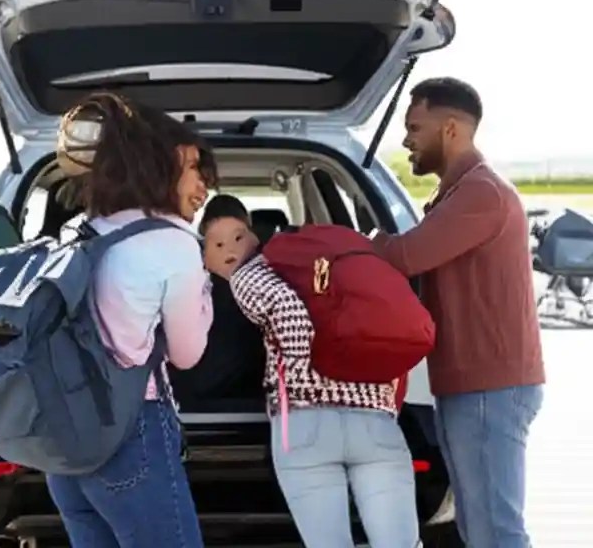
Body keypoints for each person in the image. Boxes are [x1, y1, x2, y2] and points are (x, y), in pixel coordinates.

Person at [370, 77, 544, 547]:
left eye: (414, 127)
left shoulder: (481, 194)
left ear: (450, 128)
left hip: (491, 387)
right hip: (473, 385)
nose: (406, 140)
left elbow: (407, 256)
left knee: (497, 529)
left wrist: (369, 241)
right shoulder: (461, 194)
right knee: (477, 528)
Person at [44, 91, 214, 548]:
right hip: (131, 429)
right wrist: (205, 287)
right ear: (157, 166)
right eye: (193, 168)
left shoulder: (80, 229)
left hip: (64, 437)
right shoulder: (174, 242)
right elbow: (188, 354)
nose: (203, 185)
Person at [201, 194, 420, 547]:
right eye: (219, 244)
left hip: (306, 426)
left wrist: (302, 369)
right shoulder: (326, 266)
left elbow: (290, 315)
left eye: (237, 238)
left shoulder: (250, 275)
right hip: (375, 419)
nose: (230, 250)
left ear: (256, 237)